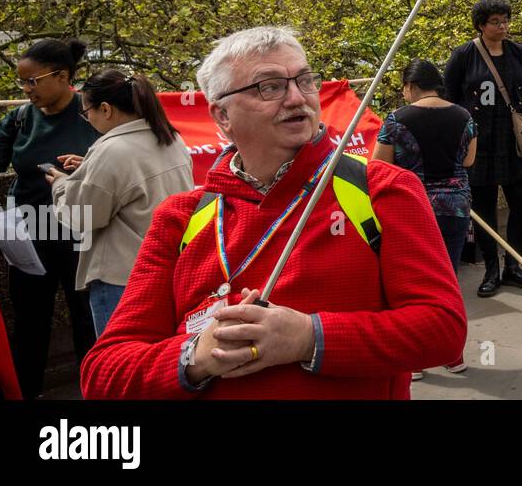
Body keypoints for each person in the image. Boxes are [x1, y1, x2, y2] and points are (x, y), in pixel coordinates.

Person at [80, 26, 465, 399]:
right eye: (270, 87)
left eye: (305, 80)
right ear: (222, 116)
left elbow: (443, 330)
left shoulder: (382, 188)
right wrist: (197, 356)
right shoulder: (179, 217)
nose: (297, 98)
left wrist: (307, 337)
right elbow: (104, 373)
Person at [0, 38, 100, 398]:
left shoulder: (93, 113)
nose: (25, 89)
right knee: (29, 320)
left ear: (62, 76)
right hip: (29, 233)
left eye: (32, 81)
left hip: (80, 229)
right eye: (22, 82)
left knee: (87, 316)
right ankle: (27, 392)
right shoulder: (19, 118)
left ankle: (93, 390)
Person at [46, 69, 194, 336]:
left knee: (119, 364)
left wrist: (59, 184)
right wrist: (90, 168)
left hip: (122, 280)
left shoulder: (111, 150)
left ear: (105, 109)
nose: (87, 118)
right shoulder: (171, 138)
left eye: (86, 111)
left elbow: (83, 215)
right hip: (168, 271)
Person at [372, 58, 474, 376]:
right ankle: (453, 354)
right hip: (455, 208)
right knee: (447, 280)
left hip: (411, 208)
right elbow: (468, 160)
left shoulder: (396, 120)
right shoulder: (463, 115)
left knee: (407, 283)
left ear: (411, 87)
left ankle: (414, 359)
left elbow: (378, 166)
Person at [443, 0, 522, 298]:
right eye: (496, 22)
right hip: (479, 143)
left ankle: (515, 264)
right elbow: (451, 96)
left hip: (512, 140)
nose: (503, 26)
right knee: (483, 209)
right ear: (481, 25)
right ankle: (491, 270)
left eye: (506, 20)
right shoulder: (463, 55)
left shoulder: (518, 53)